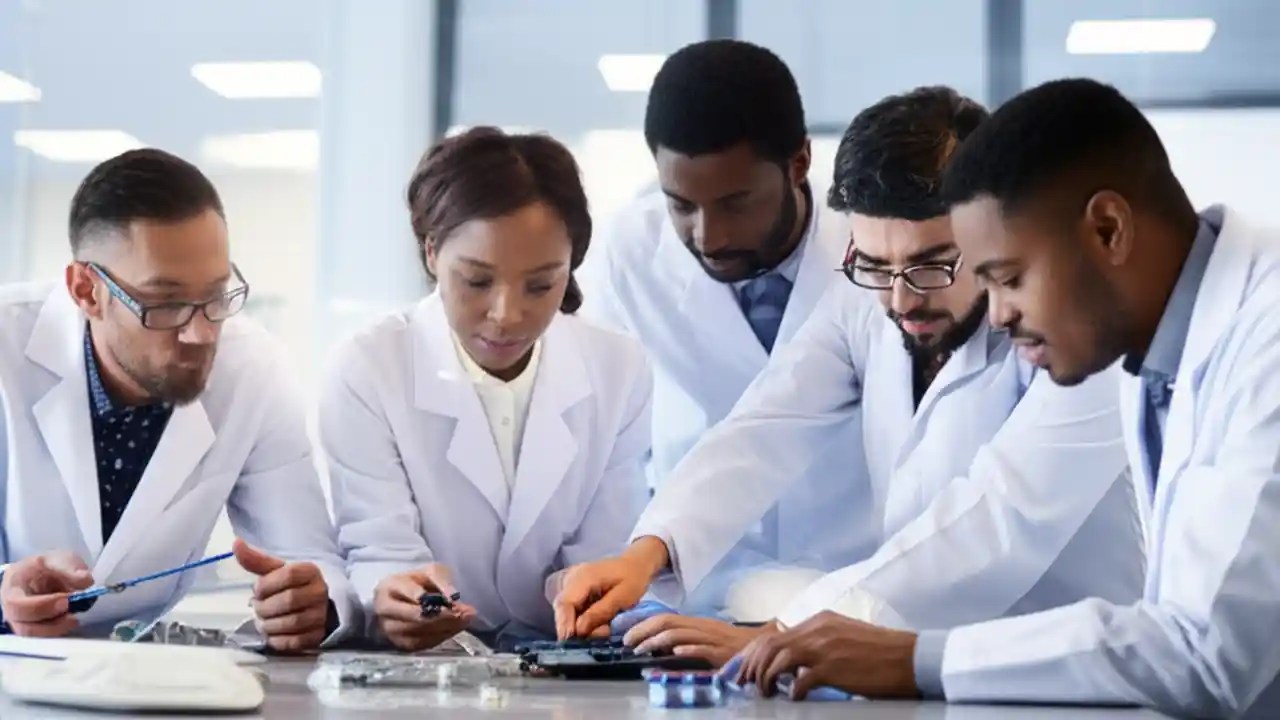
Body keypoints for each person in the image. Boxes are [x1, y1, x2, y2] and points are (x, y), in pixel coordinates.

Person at [734, 77, 1280, 718]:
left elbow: (1206, 652)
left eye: (1009, 278)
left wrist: (912, 658)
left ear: (1107, 230)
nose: (996, 317)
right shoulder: (1163, 346)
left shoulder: (1264, 341)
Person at [554, 86, 1144, 658]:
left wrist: (792, 630)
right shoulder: (864, 300)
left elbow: (998, 519)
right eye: (877, 264)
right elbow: (763, 428)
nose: (901, 299)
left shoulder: (1080, 333)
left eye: (932, 265)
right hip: (920, 670)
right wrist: (647, 551)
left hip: (1070, 671)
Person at [0, 149, 357, 650]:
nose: (201, 333)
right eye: (165, 304)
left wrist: (310, 604)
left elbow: (306, 557)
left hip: (146, 677)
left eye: (215, 296)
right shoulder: (7, 346)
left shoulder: (254, 367)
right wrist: (4, 589)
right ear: (86, 290)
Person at [322, 127, 651, 652]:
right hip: (428, 669)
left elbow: (606, 551)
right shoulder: (369, 366)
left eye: (542, 285)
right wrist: (401, 597)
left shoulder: (618, 367)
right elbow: (378, 546)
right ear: (432, 253)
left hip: (562, 665)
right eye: (476, 281)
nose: (506, 315)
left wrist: (588, 592)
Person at [579, 38, 870, 616]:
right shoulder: (631, 253)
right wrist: (635, 555)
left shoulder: (873, 253)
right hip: (700, 583)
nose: (707, 237)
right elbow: (610, 440)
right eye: (681, 204)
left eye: (736, 202)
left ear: (799, 164)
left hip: (859, 576)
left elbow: (781, 416)